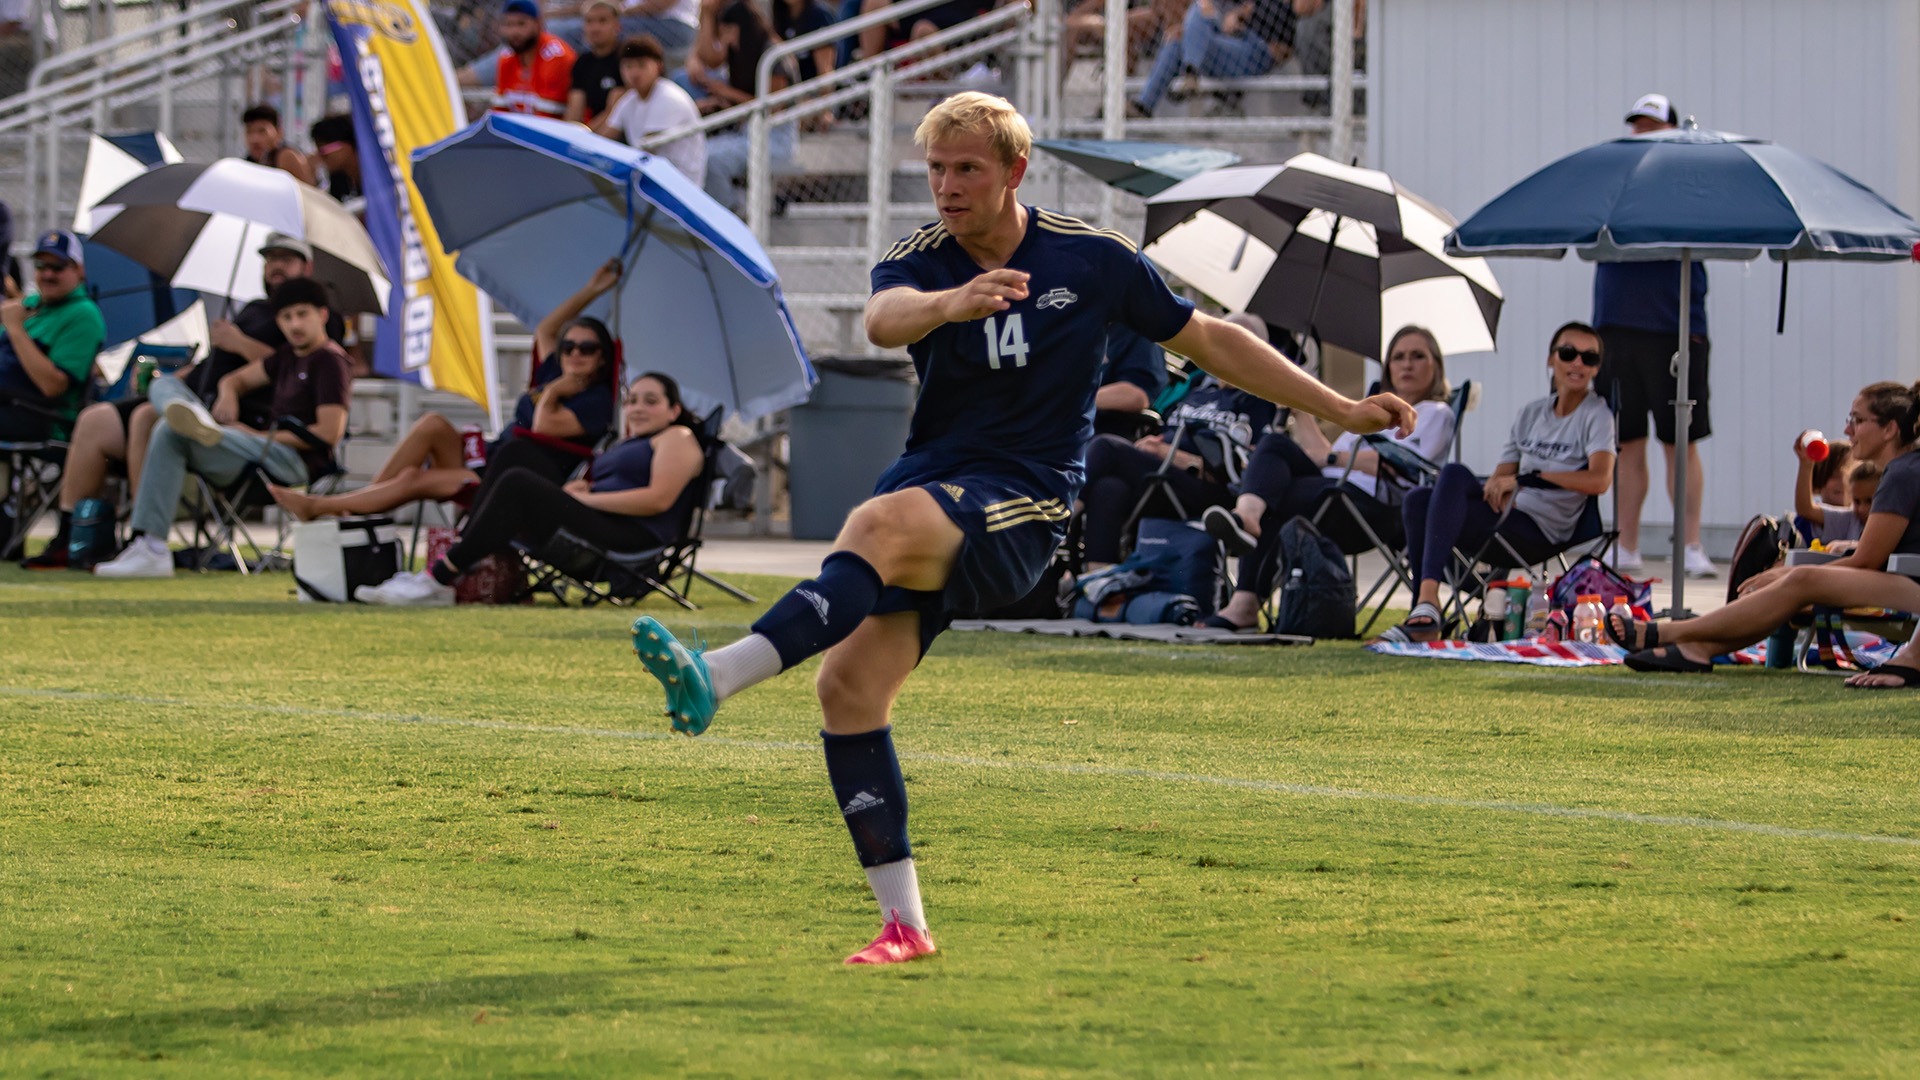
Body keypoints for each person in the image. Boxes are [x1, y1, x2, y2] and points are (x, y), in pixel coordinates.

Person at [625, 92, 1415, 965]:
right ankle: (905, 926)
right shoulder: (920, 260)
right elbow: (882, 320)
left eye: (967, 168)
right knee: (847, 690)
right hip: (933, 485)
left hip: (1028, 499)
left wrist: (1341, 407)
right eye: (937, 169)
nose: (948, 186)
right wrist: (951, 304)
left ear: (1014, 171)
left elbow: (1213, 340)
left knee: (875, 522)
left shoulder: (1092, 258)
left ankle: (717, 674)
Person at [23, 234, 340, 570]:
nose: (276, 266)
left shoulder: (322, 329)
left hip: (245, 429)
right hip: (200, 398)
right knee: (96, 419)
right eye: (270, 258)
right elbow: (236, 372)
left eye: (286, 259)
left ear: (307, 268)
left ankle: (145, 537)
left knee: (152, 420)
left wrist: (238, 344)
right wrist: (186, 379)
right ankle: (70, 535)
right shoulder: (254, 310)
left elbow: (297, 371)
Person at [269, 262, 623, 523]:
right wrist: (593, 289)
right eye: (569, 347)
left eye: (587, 348)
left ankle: (324, 507)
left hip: (514, 478)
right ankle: (364, 503)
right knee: (432, 423)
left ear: (602, 358)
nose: (574, 354)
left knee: (413, 478)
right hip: (493, 456)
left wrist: (555, 390)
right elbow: (546, 329)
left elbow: (544, 427)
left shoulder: (595, 402)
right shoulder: (554, 371)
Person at [1612, 380, 1920, 674]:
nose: (1847, 429)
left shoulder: (1902, 474)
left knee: (1800, 578)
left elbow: (1867, 561)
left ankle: (1664, 633)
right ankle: (1697, 649)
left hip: (1911, 585)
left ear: (1889, 429)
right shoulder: (1903, 470)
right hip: (1903, 579)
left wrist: (1784, 574)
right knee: (1795, 579)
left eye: (1857, 420)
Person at [358, 372, 706, 605]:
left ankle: (438, 577)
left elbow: (657, 500)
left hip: (629, 539)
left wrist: (590, 499)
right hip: (602, 522)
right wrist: (585, 487)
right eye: (633, 400)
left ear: (674, 410)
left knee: (518, 483)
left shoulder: (677, 437)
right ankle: (458, 559)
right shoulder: (632, 442)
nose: (638, 408)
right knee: (517, 452)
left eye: (651, 401)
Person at [1203, 324, 1456, 630]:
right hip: (1332, 490)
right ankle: (1247, 517)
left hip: (1370, 507)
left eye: (1418, 356)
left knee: (1272, 494)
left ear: (1436, 366)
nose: (1407, 364)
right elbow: (1322, 454)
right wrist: (1299, 405)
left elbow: (1405, 466)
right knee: (1274, 445)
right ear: (1388, 366)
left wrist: (1336, 458)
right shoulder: (1375, 410)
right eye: (1398, 357)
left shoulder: (1435, 412)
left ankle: (1244, 596)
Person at [94, 278, 351, 579]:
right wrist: (228, 393)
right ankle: (150, 544)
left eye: (302, 314)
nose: (294, 324)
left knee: (169, 426)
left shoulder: (329, 361)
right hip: (253, 449)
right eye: (286, 317)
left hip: (291, 461)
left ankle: (151, 547)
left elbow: (328, 433)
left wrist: (254, 435)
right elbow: (234, 379)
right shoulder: (285, 357)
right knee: (163, 393)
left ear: (322, 315)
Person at [1379, 322, 1615, 643]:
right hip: (1508, 515)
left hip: (1540, 530)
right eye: (1568, 353)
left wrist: (1530, 478)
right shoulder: (1531, 413)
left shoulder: (1597, 415)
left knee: (1450, 477)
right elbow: (1501, 476)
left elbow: (1600, 480)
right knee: (1419, 498)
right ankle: (1424, 608)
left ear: (1596, 368)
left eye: (1589, 358)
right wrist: (1501, 485)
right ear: (1551, 359)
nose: (1578, 363)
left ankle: (1427, 603)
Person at [1596, 92, 1716, 579]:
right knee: (1627, 442)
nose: (1642, 134)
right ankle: (1626, 545)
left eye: (1652, 126)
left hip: (1675, 328)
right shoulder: (1614, 179)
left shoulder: (1690, 183)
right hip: (1616, 326)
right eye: (1637, 126)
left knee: (1679, 441)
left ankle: (1690, 544)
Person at [1077, 365, 1274, 572]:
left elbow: (1251, 463)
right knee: (1109, 488)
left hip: (1205, 483)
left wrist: (1170, 454)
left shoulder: (1255, 401)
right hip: (1161, 475)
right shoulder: (1199, 387)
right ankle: (1098, 581)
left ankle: (1062, 516)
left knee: (1105, 447)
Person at [684, 0, 795, 211]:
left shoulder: (772, 53)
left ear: (744, 27)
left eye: (729, 31)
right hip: (746, 133)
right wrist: (719, 102)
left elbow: (773, 107)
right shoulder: (741, 56)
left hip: (775, 138)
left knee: (710, 159)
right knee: (696, 153)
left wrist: (726, 92)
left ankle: (736, 210)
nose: (725, 38)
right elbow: (709, 58)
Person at [0, 230, 106, 445]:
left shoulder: (84, 315)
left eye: (58, 267)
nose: (48, 274)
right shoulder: (31, 304)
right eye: (41, 266)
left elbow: (52, 386)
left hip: (38, 416)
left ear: (78, 270)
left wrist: (15, 329)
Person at [1129, 0, 1297, 118]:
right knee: (1188, 24)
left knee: (1185, 34)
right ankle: (1146, 104)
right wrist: (1233, 16)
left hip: (1256, 51)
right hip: (1224, 41)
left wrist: (1238, 16)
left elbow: (1285, 42)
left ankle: (1188, 73)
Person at [595, 36, 707, 185]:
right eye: (628, 66)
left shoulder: (668, 97)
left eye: (642, 65)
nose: (634, 73)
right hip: (651, 181)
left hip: (680, 185)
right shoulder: (629, 99)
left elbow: (645, 152)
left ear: (658, 66)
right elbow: (602, 138)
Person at [490, 0, 576, 118]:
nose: (514, 32)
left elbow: (548, 117)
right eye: (508, 24)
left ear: (538, 24)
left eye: (521, 24)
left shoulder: (556, 57)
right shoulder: (506, 57)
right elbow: (500, 110)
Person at [564, 0, 627, 124]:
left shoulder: (627, 59)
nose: (595, 28)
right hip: (592, 130)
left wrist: (586, 133)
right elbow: (574, 111)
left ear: (617, 26)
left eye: (602, 21)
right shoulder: (582, 62)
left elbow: (615, 115)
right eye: (589, 21)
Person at [241, 103, 317, 186]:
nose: (255, 139)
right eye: (249, 132)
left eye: (262, 131)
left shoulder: (285, 156)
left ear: (279, 132)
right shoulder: (246, 164)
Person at [310, 114, 362, 205]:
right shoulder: (338, 178)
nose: (319, 156)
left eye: (323, 150)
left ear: (347, 146)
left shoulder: (373, 178)